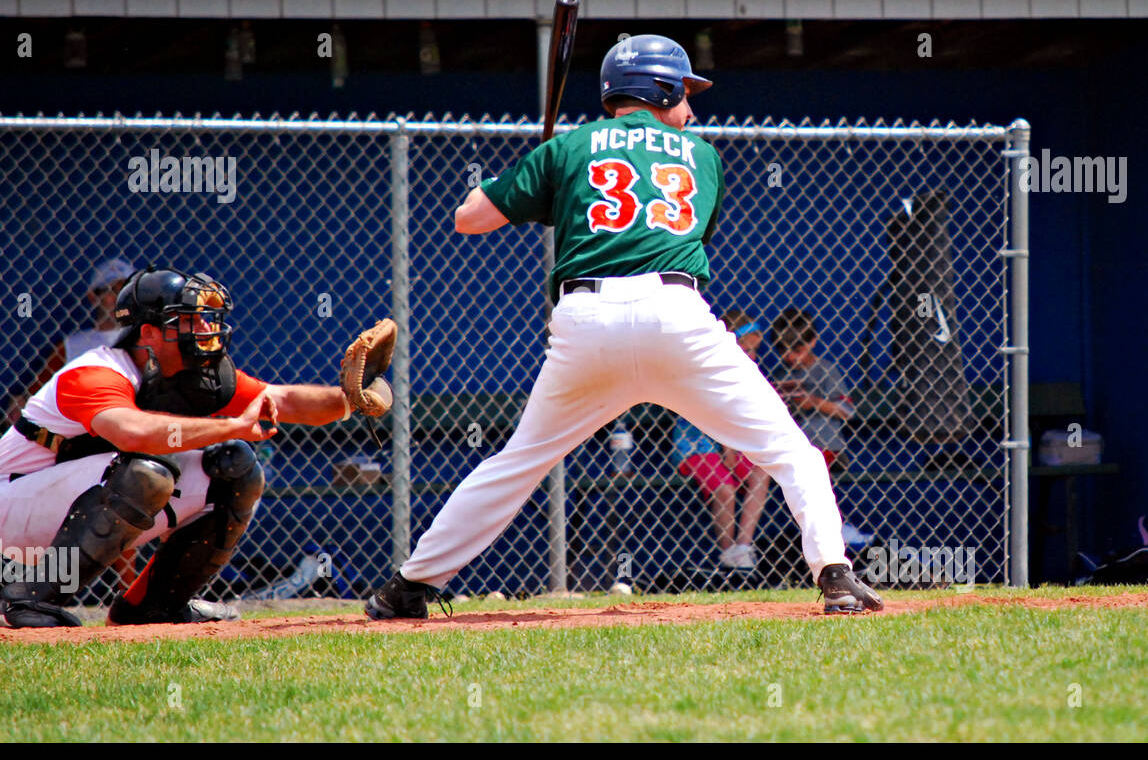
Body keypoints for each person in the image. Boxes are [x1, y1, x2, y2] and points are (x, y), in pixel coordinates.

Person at [365, 34, 882, 619]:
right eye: (683, 92)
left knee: (515, 464)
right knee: (792, 452)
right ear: (657, 88)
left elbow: (469, 219)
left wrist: (542, 173)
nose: (690, 107)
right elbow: (679, 235)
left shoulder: (568, 148)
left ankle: (408, 587)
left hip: (587, 325)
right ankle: (835, 575)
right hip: (676, 318)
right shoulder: (703, 155)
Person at [0, 265, 366, 628]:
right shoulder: (96, 372)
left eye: (203, 317)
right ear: (147, 333)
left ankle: (152, 607)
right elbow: (133, 433)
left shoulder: (187, 373)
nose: (203, 327)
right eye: (186, 320)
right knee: (147, 470)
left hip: (71, 497)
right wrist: (231, 426)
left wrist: (354, 399)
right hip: (15, 504)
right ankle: (30, 598)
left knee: (235, 467)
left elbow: (282, 401)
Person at [672, 309, 769, 570]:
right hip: (698, 444)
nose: (751, 356)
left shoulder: (747, 373)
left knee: (761, 472)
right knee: (725, 490)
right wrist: (729, 447)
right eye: (745, 350)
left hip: (734, 442)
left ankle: (743, 546)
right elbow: (715, 410)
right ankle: (728, 553)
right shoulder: (708, 367)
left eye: (754, 351)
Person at [5, 258, 135, 425]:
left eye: (125, 292)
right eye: (111, 290)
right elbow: (36, 391)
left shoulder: (145, 336)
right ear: (93, 296)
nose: (119, 298)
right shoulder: (73, 344)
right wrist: (21, 402)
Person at [770, 307, 857, 470]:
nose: (790, 357)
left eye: (797, 350)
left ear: (812, 342)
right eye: (783, 350)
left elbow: (848, 411)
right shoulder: (780, 374)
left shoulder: (826, 370)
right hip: (790, 447)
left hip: (827, 448)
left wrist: (815, 402)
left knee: (807, 466)